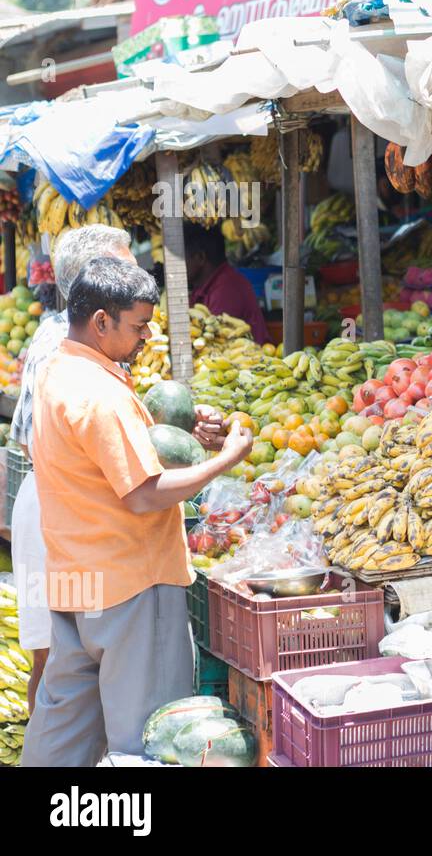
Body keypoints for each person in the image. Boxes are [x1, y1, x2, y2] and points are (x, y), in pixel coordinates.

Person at [22, 259, 253, 767]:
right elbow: (145, 493)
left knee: (64, 730)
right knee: (149, 738)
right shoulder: (100, 393)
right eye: (138, 325)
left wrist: (190, 440)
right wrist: (224, 461)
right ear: (101, 321)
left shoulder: (59, 370)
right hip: (130, 584)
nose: (147, 335)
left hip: (76, 581)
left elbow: (112, 463)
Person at [9, 226, 136, 716]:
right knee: (57, 662)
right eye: (121, 268)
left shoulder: (88, 339)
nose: (135, 277)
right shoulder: (60, 345)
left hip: (67, 514)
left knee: (76, 660)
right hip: (53, 517)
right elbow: (47, 446)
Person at [184, 222, 270, 344]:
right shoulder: (202, 285)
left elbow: (213, 340)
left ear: (200, 258)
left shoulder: (226, 290)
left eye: (181, 259)